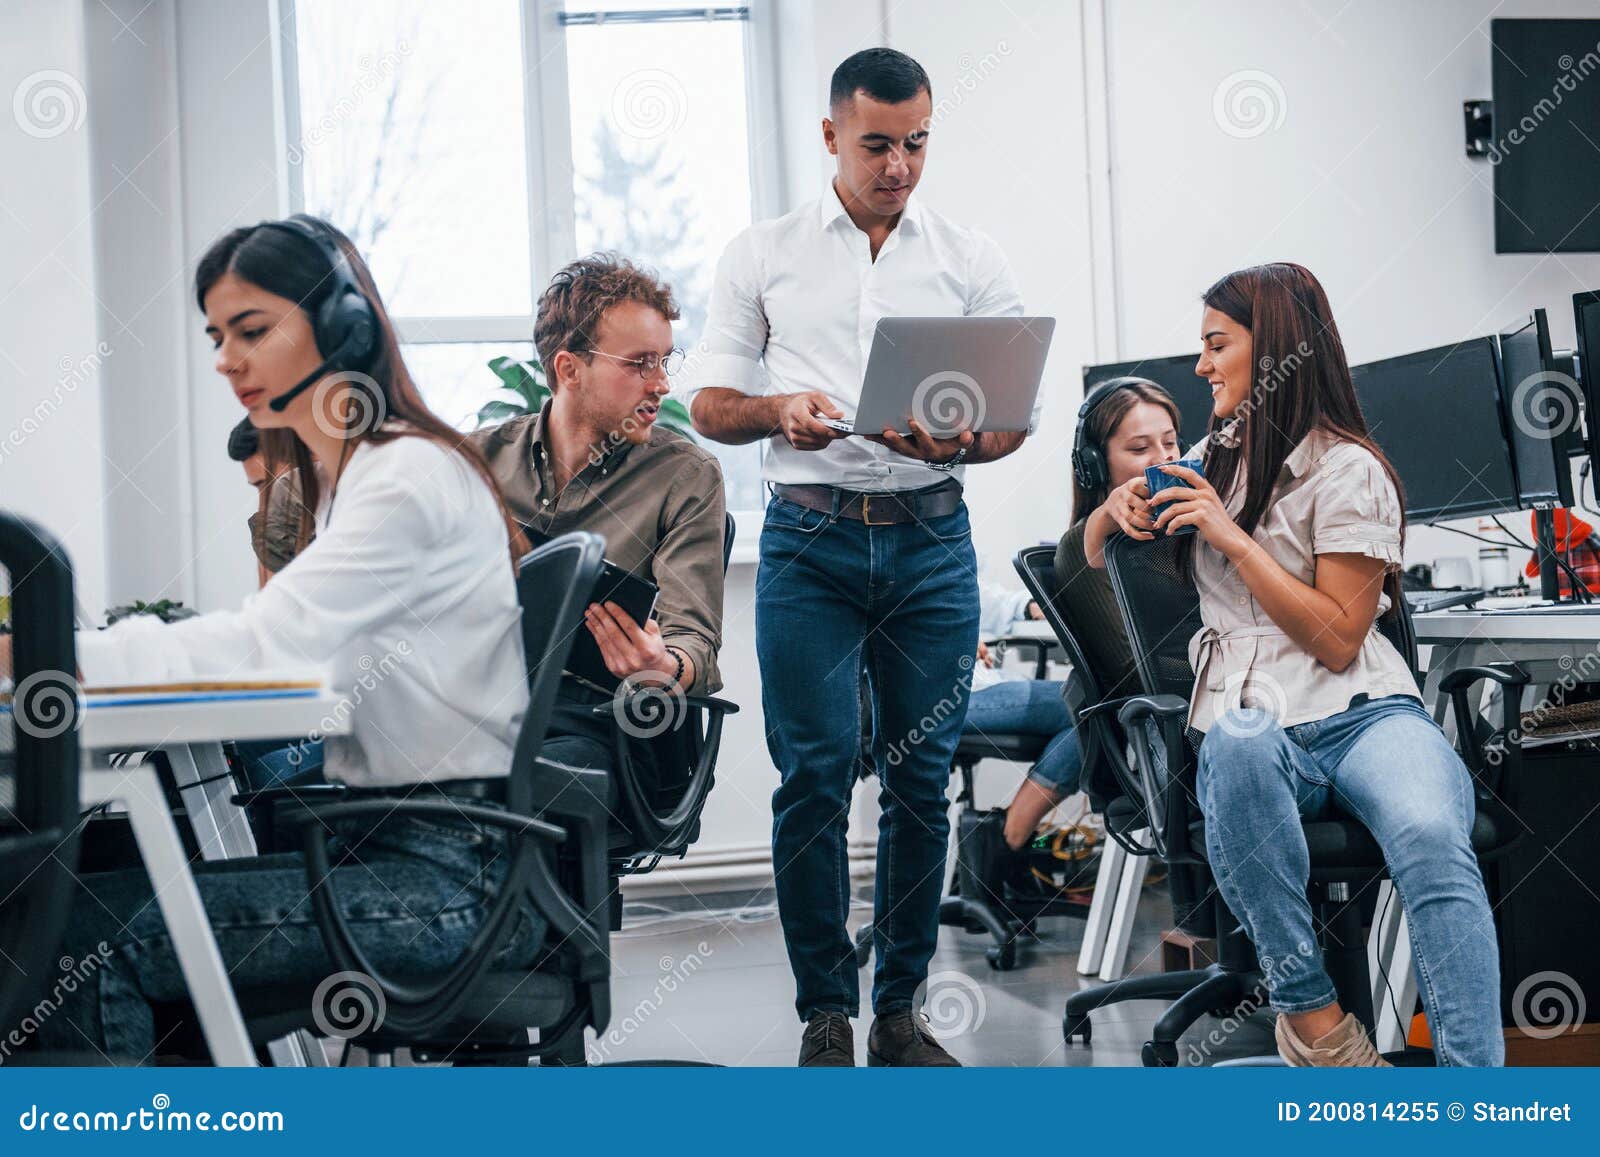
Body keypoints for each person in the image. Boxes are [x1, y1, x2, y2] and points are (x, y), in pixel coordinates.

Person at [12, 216, 543, 1061]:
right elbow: (285, 650)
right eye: (218, 336)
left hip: (446, 880)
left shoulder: (403, 475)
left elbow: (276, 647)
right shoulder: (357, 478)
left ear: (344, 325)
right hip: (407, 848)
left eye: (252, 330)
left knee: (74, 933)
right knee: (81, 899)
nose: (227, 358)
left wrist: (47, 655)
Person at [689, 48, 1033, 1067]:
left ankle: (900, 1010)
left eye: (917, 142)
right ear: (832, 134)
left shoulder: (967, 257)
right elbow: (707, 404)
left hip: (931, 541)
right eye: (878, 143)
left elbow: (1010, 419)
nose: (899, 165)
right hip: (809, 541)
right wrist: (774, 411)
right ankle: (823, 1016)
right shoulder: (764, 251)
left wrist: (963, 439)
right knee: (814, 777)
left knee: (923, 778)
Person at [1097, 262, 1502, 1067]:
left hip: (1363, 716)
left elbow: (1339, 639)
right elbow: (1082, 558)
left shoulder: (1350, 470)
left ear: (1273, 346)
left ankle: (1478, 1095)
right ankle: (1312, 1015)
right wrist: (1109, 515)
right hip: (1254, 718)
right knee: (1241, 742)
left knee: (1429, 833)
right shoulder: (1212, 457)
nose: (1202, 365)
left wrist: (1230, 536)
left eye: (1216, 345)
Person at [470, 254, 726, 778]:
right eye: (639, 363)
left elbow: (692, 641)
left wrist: (665, 666)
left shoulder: (686, 476)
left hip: (603, 726)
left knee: (495, 781)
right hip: (480, 708)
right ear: (569, 369)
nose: (661, 385)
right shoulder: (475, 463)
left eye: (664, 362)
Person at [979, 379, 1184, 855]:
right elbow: (1085, 545)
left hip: (1196, 712)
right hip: (1168, 728)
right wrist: (1106, 518)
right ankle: (1008, 841)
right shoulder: (1086, 544)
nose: (1164, 458)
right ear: (1095, 464)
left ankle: (1005, 843)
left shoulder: (1187, 528)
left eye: (1171, 442)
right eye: (1139, 448)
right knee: (1084, 711)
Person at [224, 416, 325, 793]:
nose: (268, 499)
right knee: (236, 744)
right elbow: (273, 617)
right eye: (259, 488)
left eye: (274, 484)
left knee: (254, 754)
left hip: (385, 730)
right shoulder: (298, 526)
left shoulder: (354, 525)